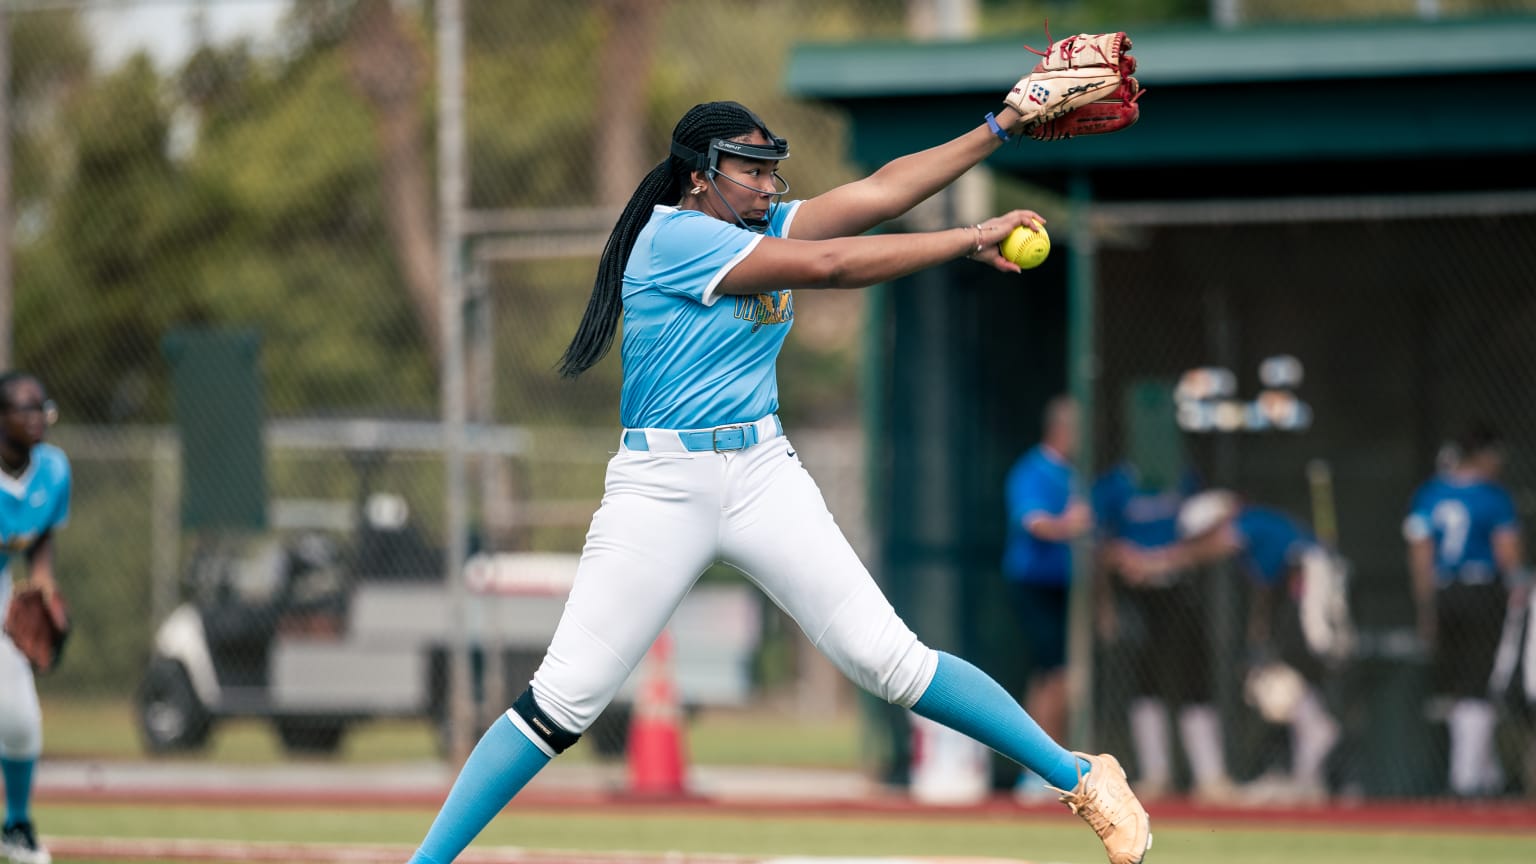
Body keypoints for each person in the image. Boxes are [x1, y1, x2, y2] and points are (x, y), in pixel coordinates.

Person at [405, 100, 1150, 864]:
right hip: (663, 484)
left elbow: (886, 190)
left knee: (890, 660)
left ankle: (1082, 777)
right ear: (699, 176)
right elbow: (831, 267)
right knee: (564, 700)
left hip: (763, 473)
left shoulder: (762, 223)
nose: (766, 185)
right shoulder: (676, 236)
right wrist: (969, 239)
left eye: (771, 170)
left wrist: (999, 127)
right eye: (749, 170)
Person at [1126, 491, 1351, 804]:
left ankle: (1315, 748)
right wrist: (1258, 635)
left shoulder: (1249, 520)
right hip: (1294, 587)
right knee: (1284, 672)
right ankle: (1307, 767)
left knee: (1297, 660)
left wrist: (1157, 561)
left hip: (1310, 580)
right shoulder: (1255, 549)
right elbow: (1264, 589)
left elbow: (1214, 547)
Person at [1094, 461, 1232, 802]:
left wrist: (1164, 560)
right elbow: (1095, 543)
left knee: (1194, 681)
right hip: (1137, 595)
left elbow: (1210, 529)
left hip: (1180, 589)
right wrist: (1117, 574)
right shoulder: (1114, 484)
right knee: (1146, 682)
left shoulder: (1184, 476)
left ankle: (1210, 777)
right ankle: (1155, 775)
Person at [1403, 423, 1529, 797]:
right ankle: (1465, 781)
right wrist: (1518, 591)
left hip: (1443, 592)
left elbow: (1420, 554)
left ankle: (1483, 776)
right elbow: (1508, 553)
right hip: (1482, 593)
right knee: (1479, 683)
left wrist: (1426, 606)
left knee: (1458, 685)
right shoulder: (1494, 497)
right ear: (1486, 455)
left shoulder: (1430, 493)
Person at [1001, 396, 1092, 799]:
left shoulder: (1078, 475)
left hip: (1070, 587)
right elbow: (1035, 523)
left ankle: (1050, 768)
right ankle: (1040, 772)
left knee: (1059, 677)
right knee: (1053, 678)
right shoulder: (1032, 470)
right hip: (1035, 585)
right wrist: (1071, 525)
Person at [0, 372, 70, 864]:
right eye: (23, 409)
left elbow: (41, 537)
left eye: (39, 407)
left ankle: (16, 826)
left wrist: (43, 591)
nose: (36, 417)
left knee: (22, 720)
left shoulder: (53, 470)